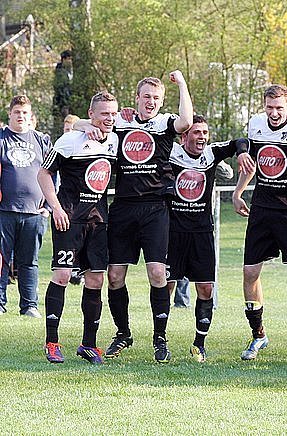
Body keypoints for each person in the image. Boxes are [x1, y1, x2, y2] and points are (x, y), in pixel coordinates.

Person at [77, 72, 194, 362]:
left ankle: (160, 337)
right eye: (147, 97)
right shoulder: (122, 121)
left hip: (155, 208)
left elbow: (187, 122)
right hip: (123, 207)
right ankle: (123, 333)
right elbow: (77, 122)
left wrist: (181, 84)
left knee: (157, 273)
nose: (151, 102)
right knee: (115, 276)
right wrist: (87, 126)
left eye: (156, 97)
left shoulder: (165, 123)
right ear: (137, 99)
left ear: (162, 101)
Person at [232, 84, 287, 361]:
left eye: (279, 108)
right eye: (270, 107)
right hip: (263, 208)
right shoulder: (255, 124)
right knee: (249, 273)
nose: (274, 113)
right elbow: (249, 158)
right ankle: (258, 336)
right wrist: (238, 191)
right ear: (263, 106)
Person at [37, 91, 119, 364]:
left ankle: (89, 345)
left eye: (112, 113)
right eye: (104, 113)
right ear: (91, 113)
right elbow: (44, 173)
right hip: (69, 218)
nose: (109, 118)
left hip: (98, 222)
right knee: (61, 276)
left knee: (96, 280)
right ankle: (52, 342)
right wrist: (56, 207)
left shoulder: (115, 141)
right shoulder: (70, 140)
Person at [166, 115, 248, 362]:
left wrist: (242, 153)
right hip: (173, 232)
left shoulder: (211, 154)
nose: (202, 137)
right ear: (184, 136)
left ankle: (199, 344)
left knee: (206, 288)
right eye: (196, 132)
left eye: (205, 132)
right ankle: (160, 340)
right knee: (166, 286)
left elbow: (239, 141)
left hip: (202, 232)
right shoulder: (171, 155)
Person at [0, 95, 51, 317]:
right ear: (9, 114)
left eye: (25, 113)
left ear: (30, 116)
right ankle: (0, 304)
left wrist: (49, 206)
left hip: (34, 213)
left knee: (29, 262)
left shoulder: (41, 140)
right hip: (4, 211)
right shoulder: (1, 139)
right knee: (1, 260)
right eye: (17, 112)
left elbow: (53, 174)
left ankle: (30, 306)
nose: (21, 116)